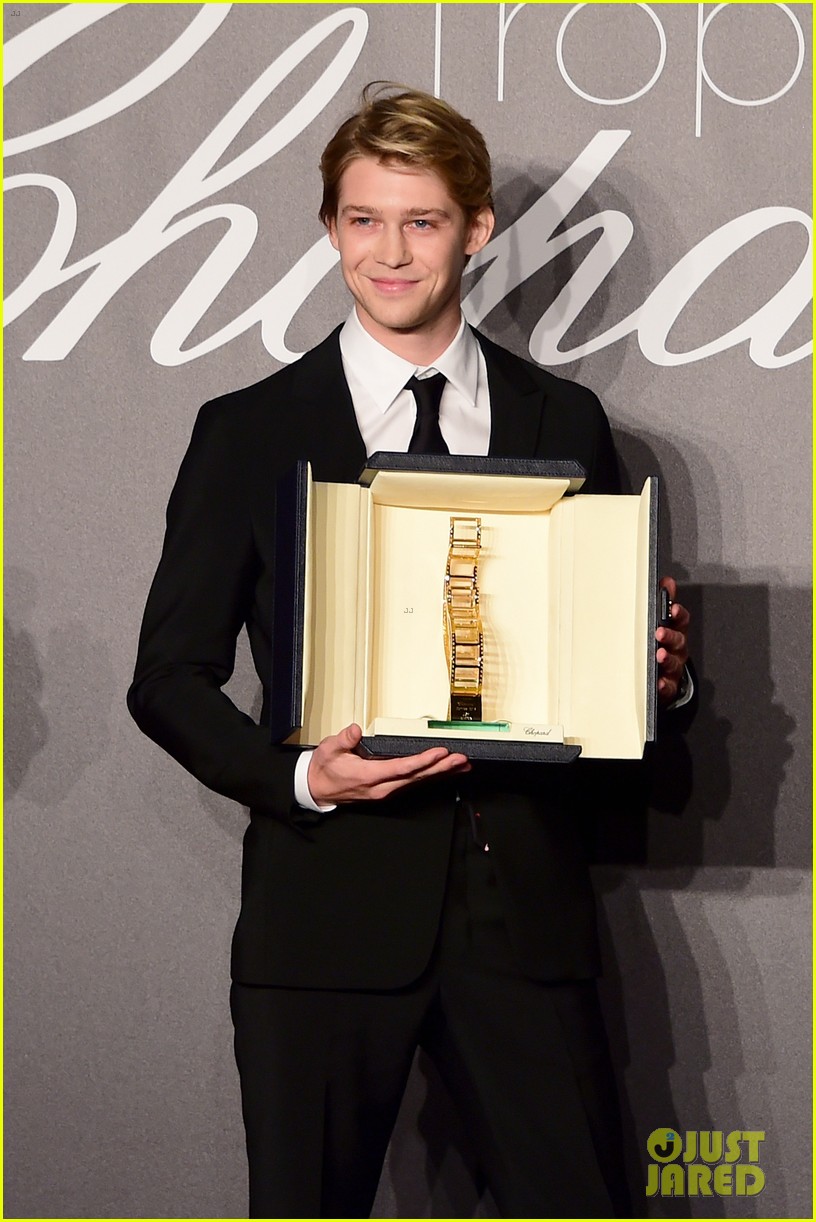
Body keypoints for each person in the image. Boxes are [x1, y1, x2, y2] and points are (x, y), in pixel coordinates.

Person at [128, 84, 690, 1219]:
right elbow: (168, 680)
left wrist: (656, 680)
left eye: (422, 221)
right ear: (332, 227)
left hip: (522, 915)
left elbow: (601, 678)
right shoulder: (250, 429)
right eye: (363, 220)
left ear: (476, 229)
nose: (390, 252)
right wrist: (301, 776)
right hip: (322, 915)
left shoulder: (562, 419)